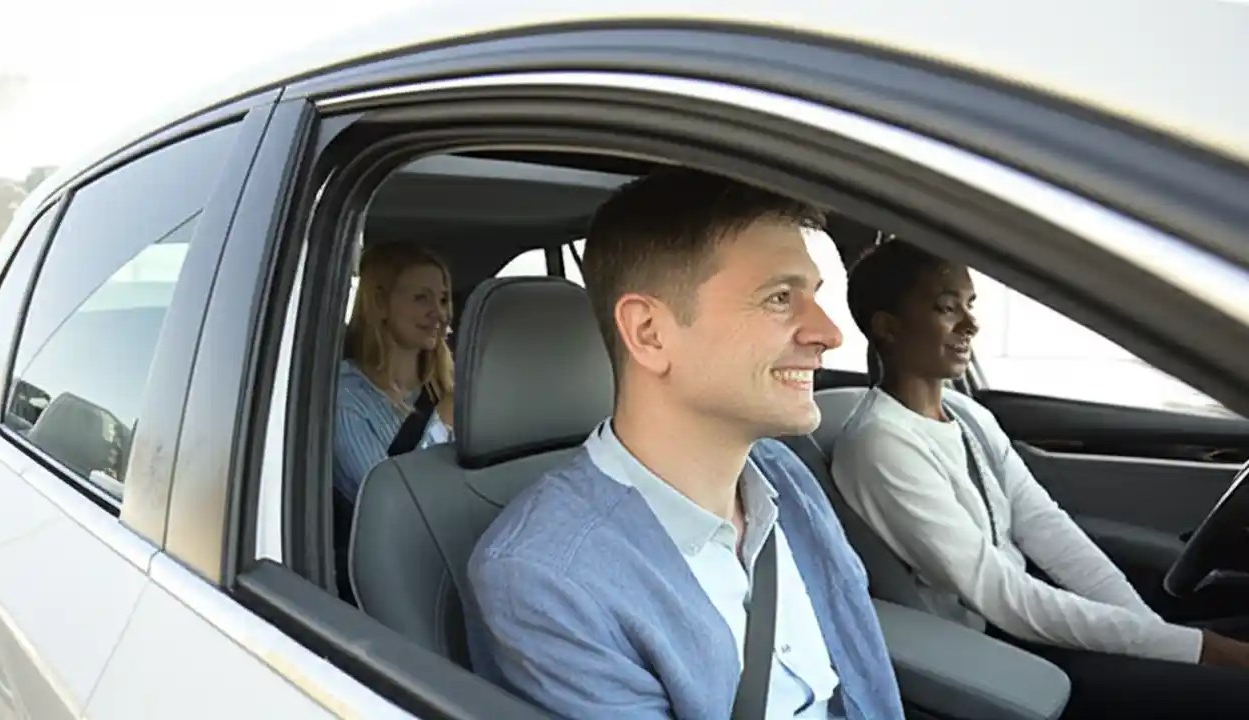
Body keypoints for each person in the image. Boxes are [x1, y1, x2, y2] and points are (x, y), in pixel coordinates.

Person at [463, 169, 903, 720]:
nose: (830, 333)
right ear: (649, 332)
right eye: (779, 297)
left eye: (813, 295)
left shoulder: (779, 472)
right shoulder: (543, 577)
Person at [831, 239, 1249, 718]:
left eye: (970, 305)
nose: (971, 323)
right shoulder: (882, 445)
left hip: (1027, 620)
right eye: (947, 308)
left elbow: (1046, 527)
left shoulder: (966, 415)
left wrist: (1150, 631)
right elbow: (1000, 597)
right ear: (887, 328)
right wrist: (1201, 650)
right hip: (996, 650)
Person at [333, 243, 455, 503]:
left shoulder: (444, 387)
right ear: (380, 303)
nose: (440, 313)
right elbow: (393, 506)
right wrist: (442, 423)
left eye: (443, 299)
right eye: (421, 298)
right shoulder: (347, 402)